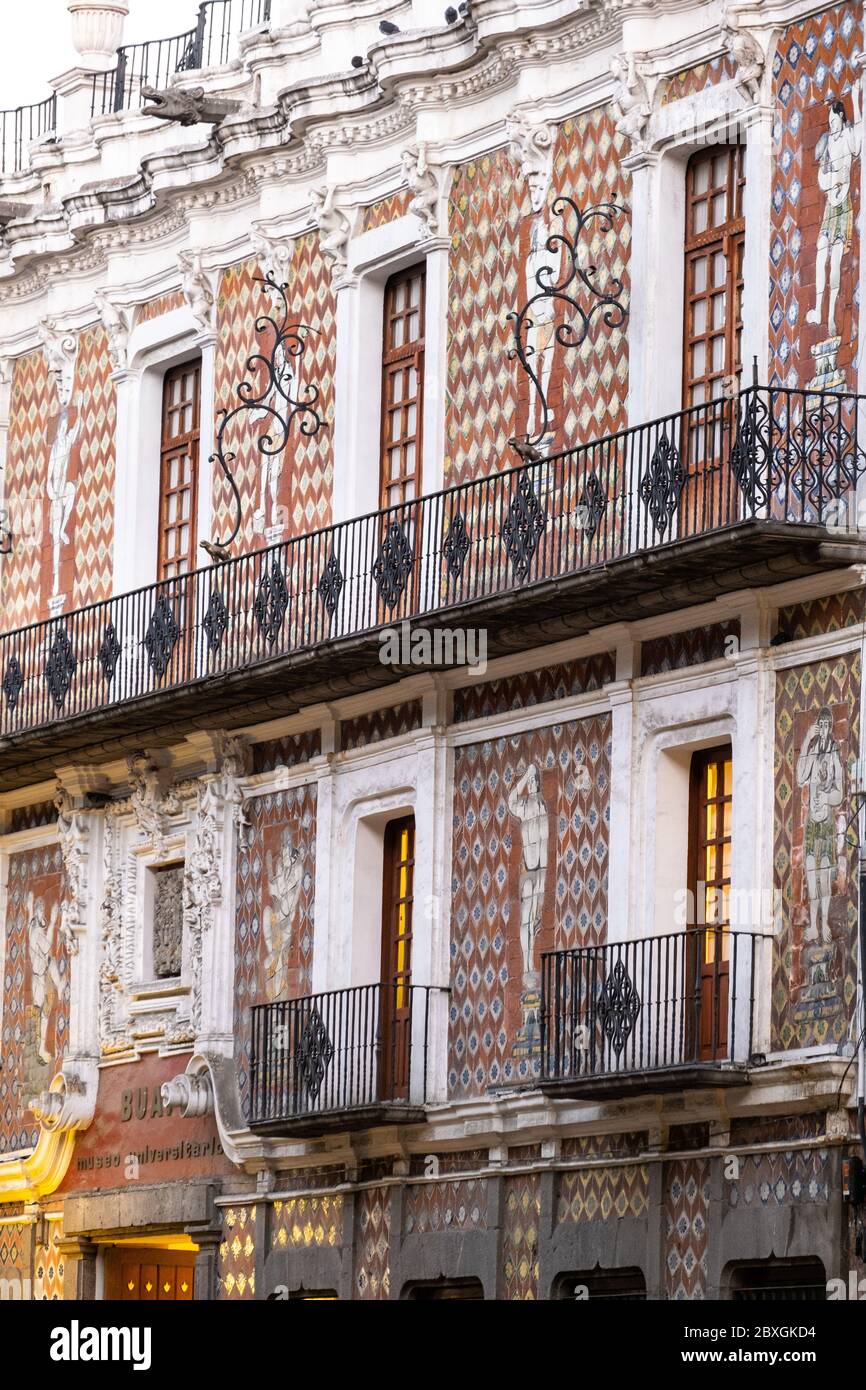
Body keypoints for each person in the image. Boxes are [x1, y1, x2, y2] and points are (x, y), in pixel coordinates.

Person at [805, 85, 862, 339]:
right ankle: (818, 307)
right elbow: (821, 174)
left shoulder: (849, 135)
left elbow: (859, 147)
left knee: (836, 259)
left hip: (843, 204)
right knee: (820, 253)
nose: (832, 125)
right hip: (830, 203)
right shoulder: (828, 142)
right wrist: (828, 181)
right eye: (829, 122)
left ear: (842, 118)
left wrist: (857, 101)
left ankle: (830, 317)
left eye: (835, 120)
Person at [795, 707, 844, 944]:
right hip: (812, 822)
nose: (824, 729)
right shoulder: (813, 752)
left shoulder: (834, 754)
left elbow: (839, 792)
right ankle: (813, 924)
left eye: (827, 725)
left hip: (825, 822)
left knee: (824, 876)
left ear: (830, 727)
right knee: (810, 872)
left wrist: (825, 798)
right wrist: (805, 741)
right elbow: (800, 776)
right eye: (820, 725)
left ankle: (824, 922)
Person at [508, 763, 549, 983]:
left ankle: (531, 964)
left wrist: (542, 882)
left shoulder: (542, 808)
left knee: (535, 920)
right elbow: (511, 799)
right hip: (527, 871)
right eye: (531, 783)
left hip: (539, 872)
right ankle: (526, 966)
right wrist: (525, 775)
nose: (532, 785)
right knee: (525, 920)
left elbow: (546, 845)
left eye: (535, 781)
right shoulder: (524, 808)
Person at [263, 829, 304, 999]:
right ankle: (275, 995)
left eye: (286, 850)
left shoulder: (296, 870)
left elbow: (290, 903)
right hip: (278, 918)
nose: (284, 854)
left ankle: (279, 996)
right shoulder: (281, 867)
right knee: (266, 913)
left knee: (280, 959)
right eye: (283, 850)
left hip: (286, 919)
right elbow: (276, 893)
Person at [27, 894, 62, 1065]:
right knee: (44, 1014)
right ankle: (40, 1048)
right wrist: (54, 921)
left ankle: (39, 1048)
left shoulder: (31, 929)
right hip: (40, 978)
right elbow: (48, 953)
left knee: (42, 1013)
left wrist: (29, 908)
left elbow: (29, 921)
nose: (43, 915)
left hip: (38, 977)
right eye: (41, 911)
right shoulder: (37, 934)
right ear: (38, 913)